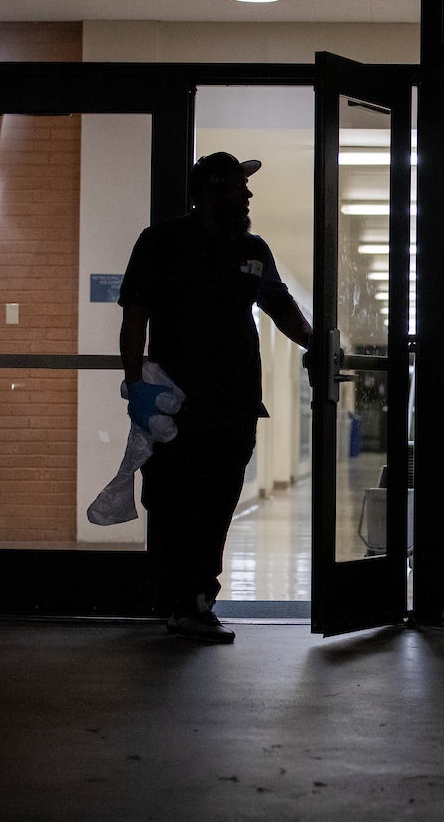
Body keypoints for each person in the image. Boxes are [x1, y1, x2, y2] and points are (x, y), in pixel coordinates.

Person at [117, 151, 312, 643]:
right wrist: (135, 385)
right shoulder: (161, 243)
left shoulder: (253, 249)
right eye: (239, 187)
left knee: (216, 506)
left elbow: (280, 307)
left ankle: (198, 603)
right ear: (212, 190)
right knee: (170, 504)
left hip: (234, 404)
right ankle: (175, 603)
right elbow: (134, 315)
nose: (247, 195)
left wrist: (319, 344)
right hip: (173, 404)